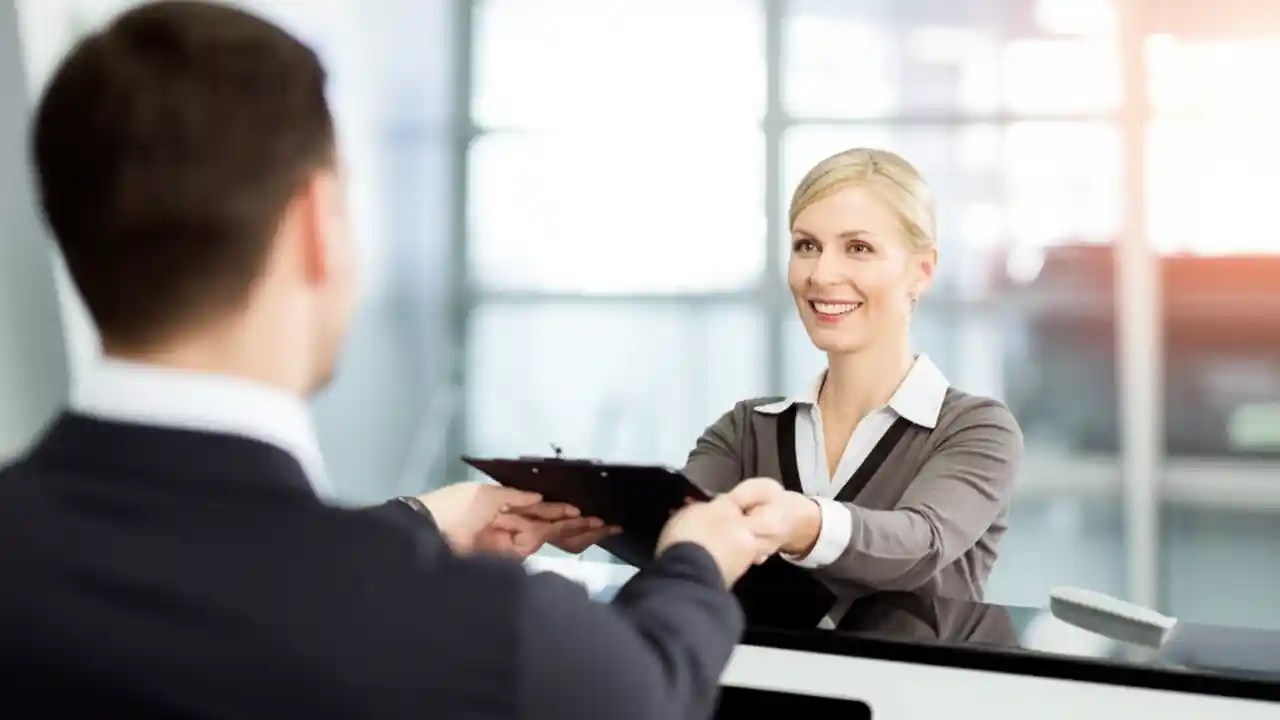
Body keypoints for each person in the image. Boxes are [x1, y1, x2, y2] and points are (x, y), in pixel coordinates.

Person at [0, 3, 787, 717]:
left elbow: (221, 572)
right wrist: (694, 563)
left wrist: (412, 525)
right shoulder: (477, 635)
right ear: (316, 222)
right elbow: (646, 689)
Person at [684, 148, 1023, 623]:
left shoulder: (975, 430)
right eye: (806, 246)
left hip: (914, 697)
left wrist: (803, 521)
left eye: (858, 248)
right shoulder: (746, 429)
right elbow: (679, 536)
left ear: (921, 271)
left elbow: (919, 544)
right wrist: (593, 510)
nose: (821, 274)